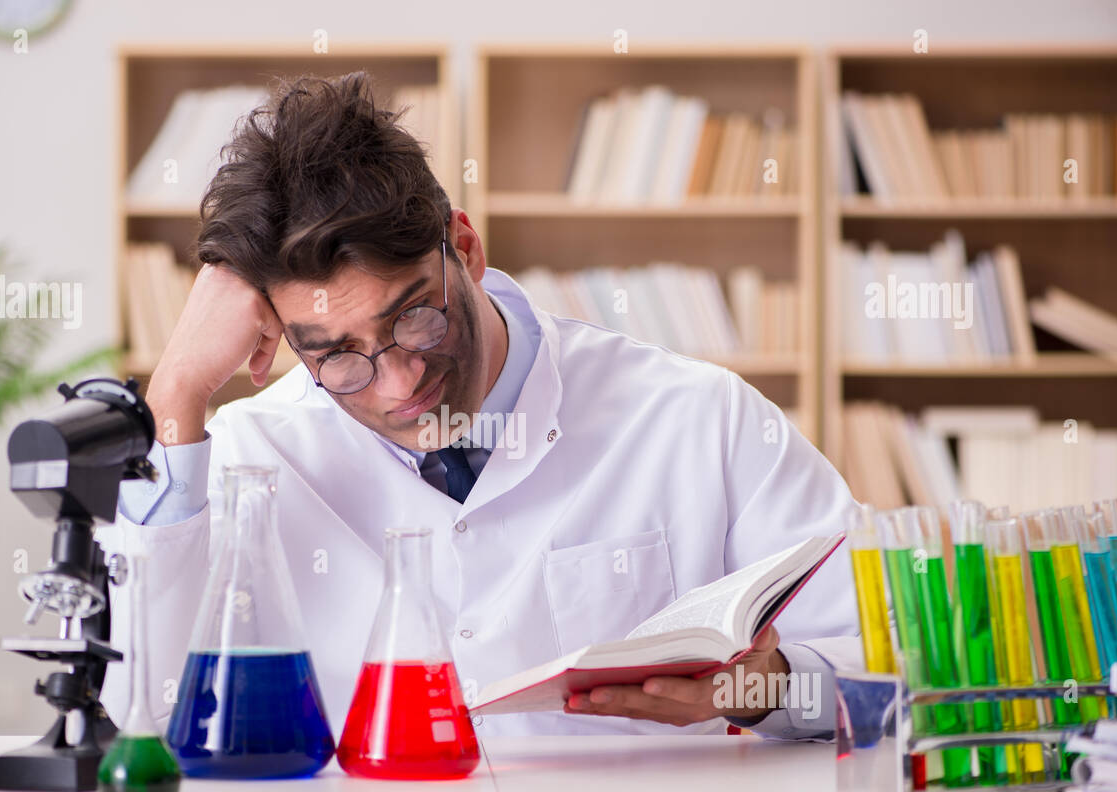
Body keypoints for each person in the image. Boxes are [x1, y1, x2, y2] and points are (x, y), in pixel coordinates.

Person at [97, 71, 863, 741]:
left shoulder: (697, 417)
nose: (398, 383)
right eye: (336, 354)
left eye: (415, 318)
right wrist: (175, 395)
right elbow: (140, 714)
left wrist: (764, 690)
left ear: (464, 249)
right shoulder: (247, 455)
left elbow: (891, 666)